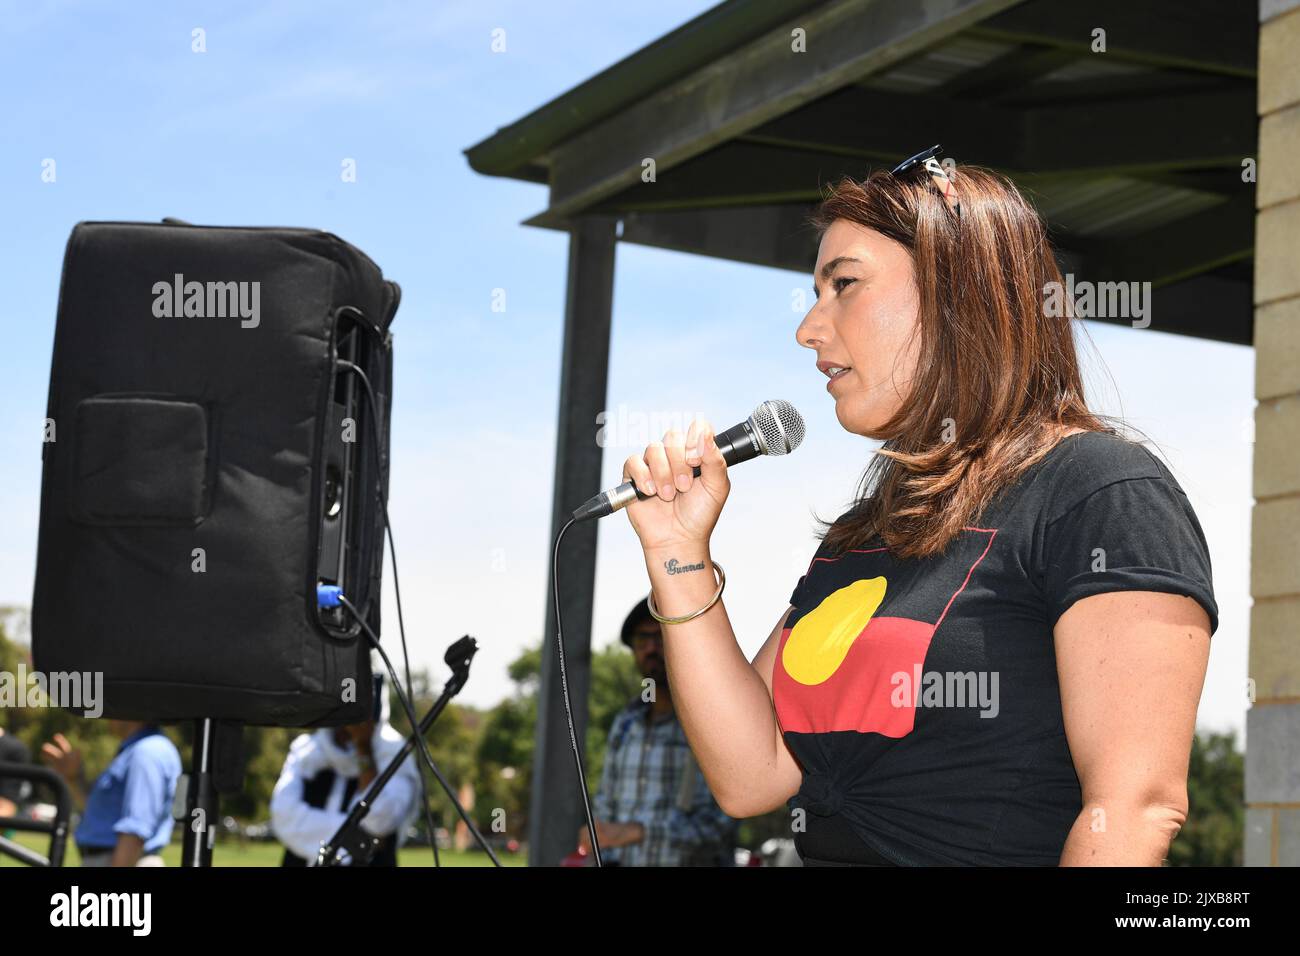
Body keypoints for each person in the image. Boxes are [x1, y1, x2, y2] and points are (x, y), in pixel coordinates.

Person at [617, 147, 1217, 866]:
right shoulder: (863, 533)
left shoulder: (1101, 492)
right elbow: (752, 777)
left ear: (959, 293)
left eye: (844, 285)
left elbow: (1132, 808)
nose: (808, 328)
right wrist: (678, 556)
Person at [577, 598, 735, 866]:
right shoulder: (625, 723)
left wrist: (639, 832)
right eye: (642, 640)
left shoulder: (712, 719)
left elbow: (721, 828)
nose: (651, 648)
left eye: (660, 636)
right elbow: (605, 812)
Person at [271, 676, 422, 866]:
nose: (347, 729)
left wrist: (363, 748)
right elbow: (284, 818)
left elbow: (380, 819)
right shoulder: (307, 750)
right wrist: (362, 836)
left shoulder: (394, 754)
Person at [42, 721, 181, 866]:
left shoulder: (146, 752)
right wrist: (74, 779)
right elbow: (100, 814)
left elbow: (135, 830)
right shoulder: (138, 749)